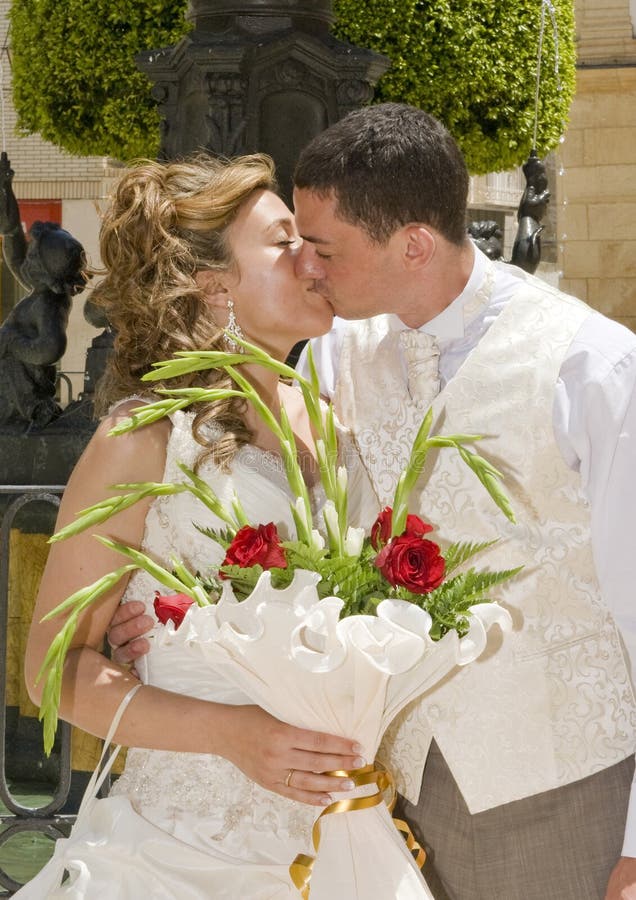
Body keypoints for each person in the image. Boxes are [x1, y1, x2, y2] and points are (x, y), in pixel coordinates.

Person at [109, 103, 636, 900]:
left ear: (413, 244)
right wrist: (169, 616)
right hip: (375, 801)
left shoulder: (592, 368)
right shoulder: (325, 362)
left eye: (322, 248)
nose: (308, 269)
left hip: (562, 802)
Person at [19, 153, 381, 898]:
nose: (312, 256)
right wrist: (231, 735)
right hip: (192, 844)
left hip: (345, 821)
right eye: (284, 242)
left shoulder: (335, 418)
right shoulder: (143, 439)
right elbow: (54, 671)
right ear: (216, 285)